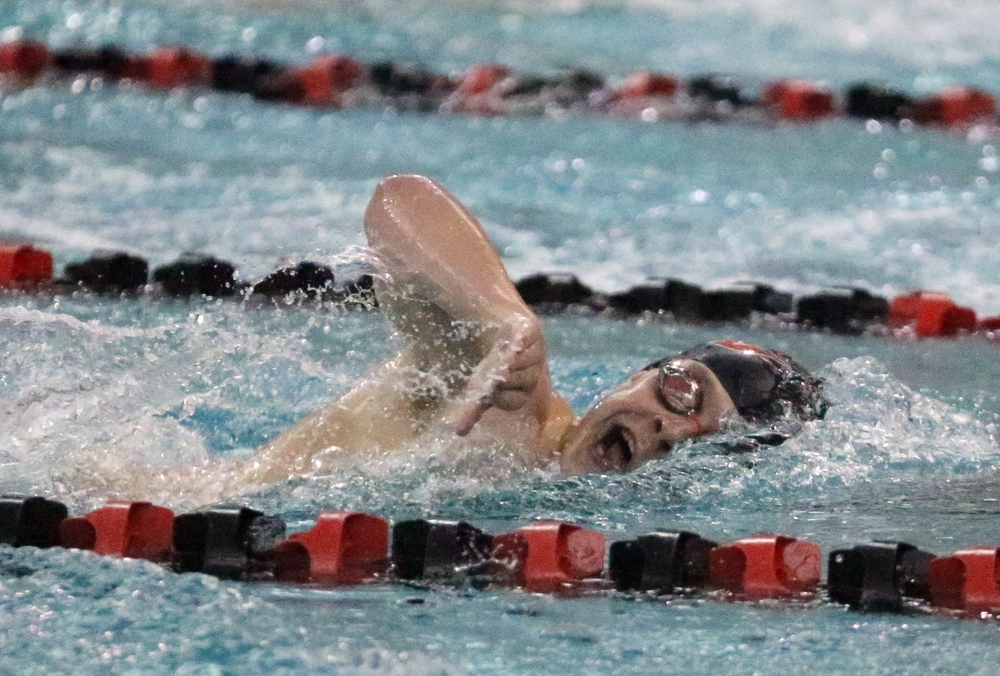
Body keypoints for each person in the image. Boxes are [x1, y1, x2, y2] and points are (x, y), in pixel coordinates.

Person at [95, 174, 825, 502]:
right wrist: (503, 315)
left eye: (709, 439)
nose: (672, 432)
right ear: (638, 374)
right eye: (681, 391)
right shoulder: (505, 393)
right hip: (116, 504)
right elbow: (397, 204)